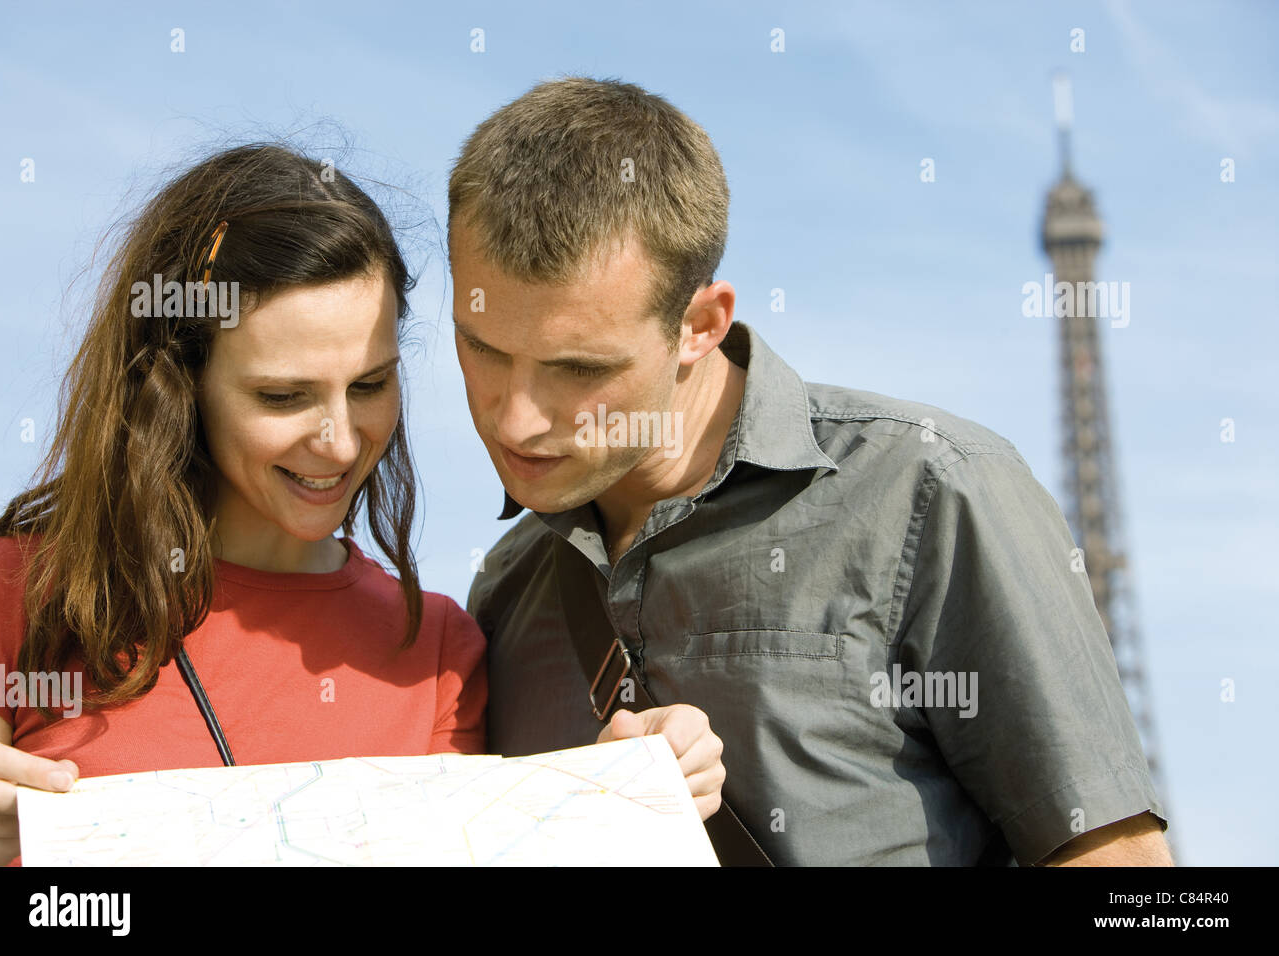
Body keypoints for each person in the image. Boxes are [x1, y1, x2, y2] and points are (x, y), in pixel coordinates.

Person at [454, 77, 1173, 866]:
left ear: (701, 325)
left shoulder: (935, 492)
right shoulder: (506, 585)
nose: (515, 418)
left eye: (577, 368)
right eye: (482, 349)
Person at [0, 142, 724, 867]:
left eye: (369, 386)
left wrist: (604, 798)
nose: (338, 444)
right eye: (283, 396)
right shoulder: (11, 593)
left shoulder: (437, 652)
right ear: (179, 383)